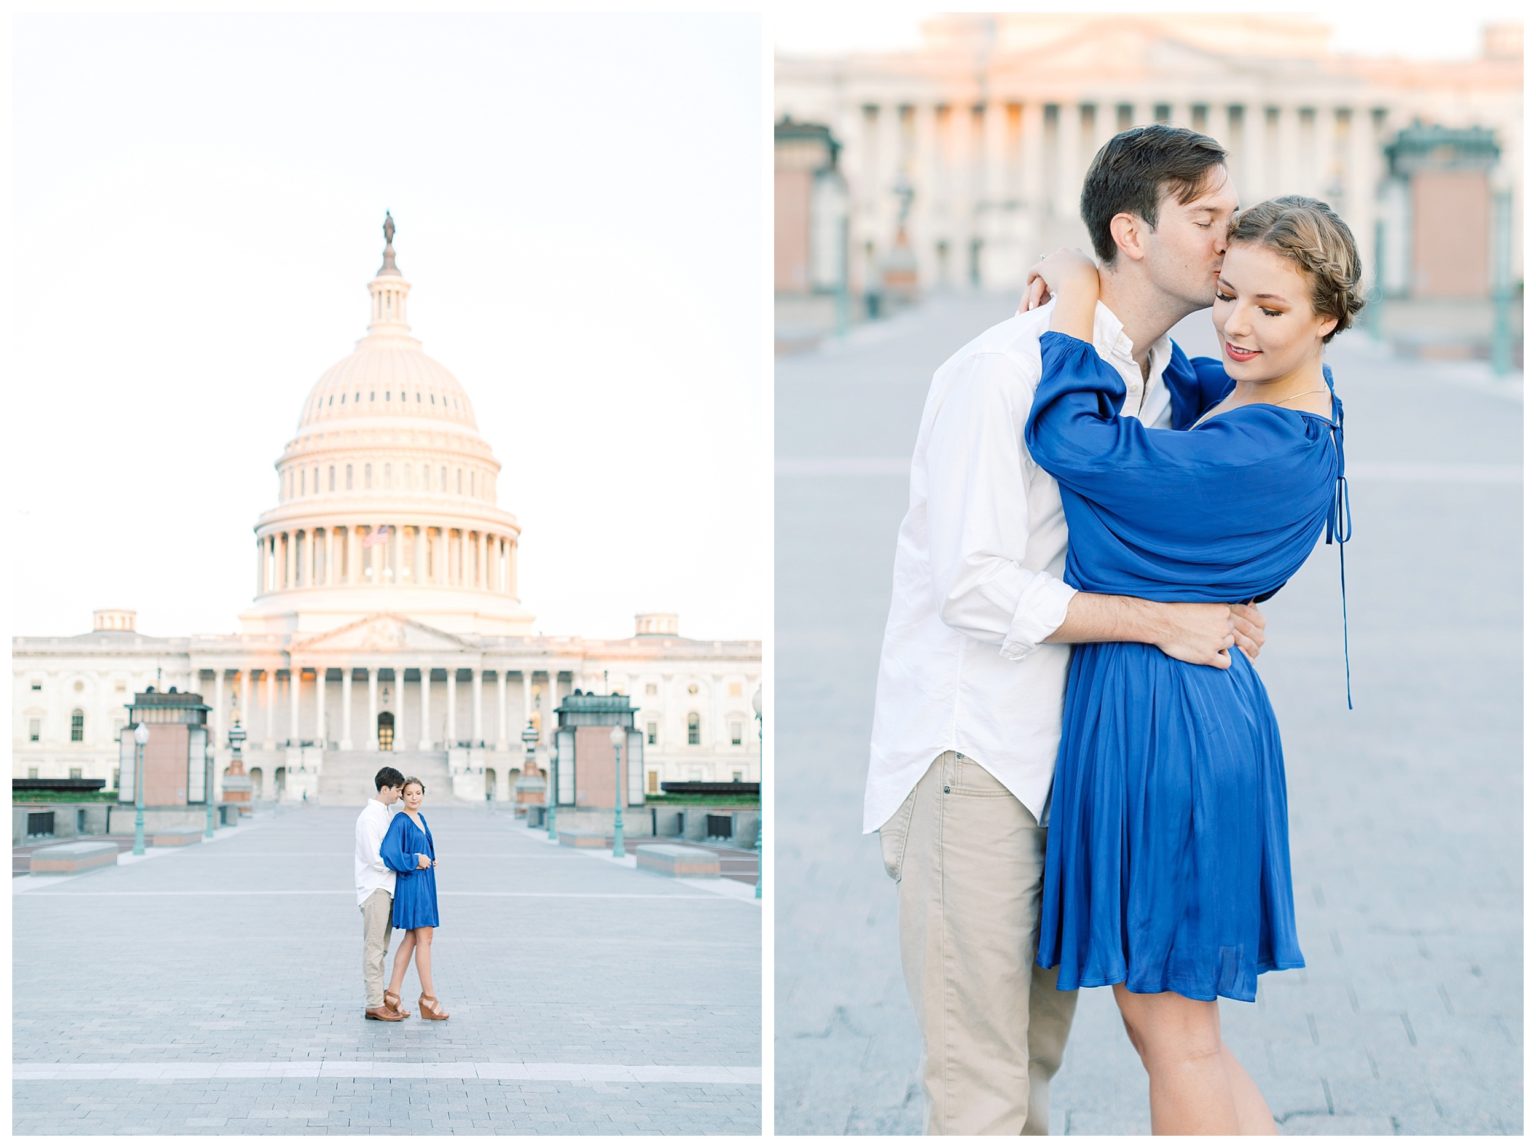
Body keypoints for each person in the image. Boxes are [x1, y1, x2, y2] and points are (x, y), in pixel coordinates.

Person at [866, 125, 1269, 1136]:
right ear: (1131, 233)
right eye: (1207, 218)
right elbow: (972, 585)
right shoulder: (1002, 369)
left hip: (1082, 764)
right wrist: (1162, 621)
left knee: (1030, 1071)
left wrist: (1219, 601)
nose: (1230, 239)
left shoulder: (1162, 381)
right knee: (983, 1089)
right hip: (976, 760)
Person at [1022, 194, 1361, 1134]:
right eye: (1227, 294)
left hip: (1166, 720)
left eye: (1271, 307)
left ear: (1329, 318)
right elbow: (1183, 377)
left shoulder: (1259, 445)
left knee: (1175, 1034)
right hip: (1181, 701)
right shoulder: (1280, 403)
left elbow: (1076, 443)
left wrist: (1077, 290)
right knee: (1175, 1031)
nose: (1237, 326)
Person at [381, 776, 448, 1021]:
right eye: (409, 793)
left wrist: (430, 858)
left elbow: (422, 847)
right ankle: (429, 998)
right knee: (425, 938)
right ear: (402, 796)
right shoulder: (401, 820)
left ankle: (392, 994)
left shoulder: (421, 818)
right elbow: (388, 852)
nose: (414, 797)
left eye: (418, 793)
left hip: (424, 881)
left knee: (412, 937)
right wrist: (414, 860)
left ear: (423, 794)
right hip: (413, 884)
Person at [355, 765, 406, 1021]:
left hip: (386, 887)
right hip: (375, 888)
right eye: (397, 790)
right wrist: (406, 862)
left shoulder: (386, 813)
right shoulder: (369, 818)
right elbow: (375, 858)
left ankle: (379, 998)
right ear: (385, 789)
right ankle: (374, 1003)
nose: (400, 795)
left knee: (381, 948)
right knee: (375, 947)